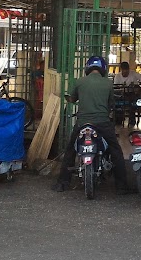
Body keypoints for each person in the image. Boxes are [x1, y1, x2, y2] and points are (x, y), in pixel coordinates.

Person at [54, 56, 133, 194]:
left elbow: (72, 98)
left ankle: (62, 183)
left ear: (88, 67)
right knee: (115, 150)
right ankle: (121, 186)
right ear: (103, 68)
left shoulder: (80, 81)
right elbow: (111, 104)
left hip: (82, 122)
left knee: (71, 150)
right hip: (103, 123)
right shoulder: (108, 83)